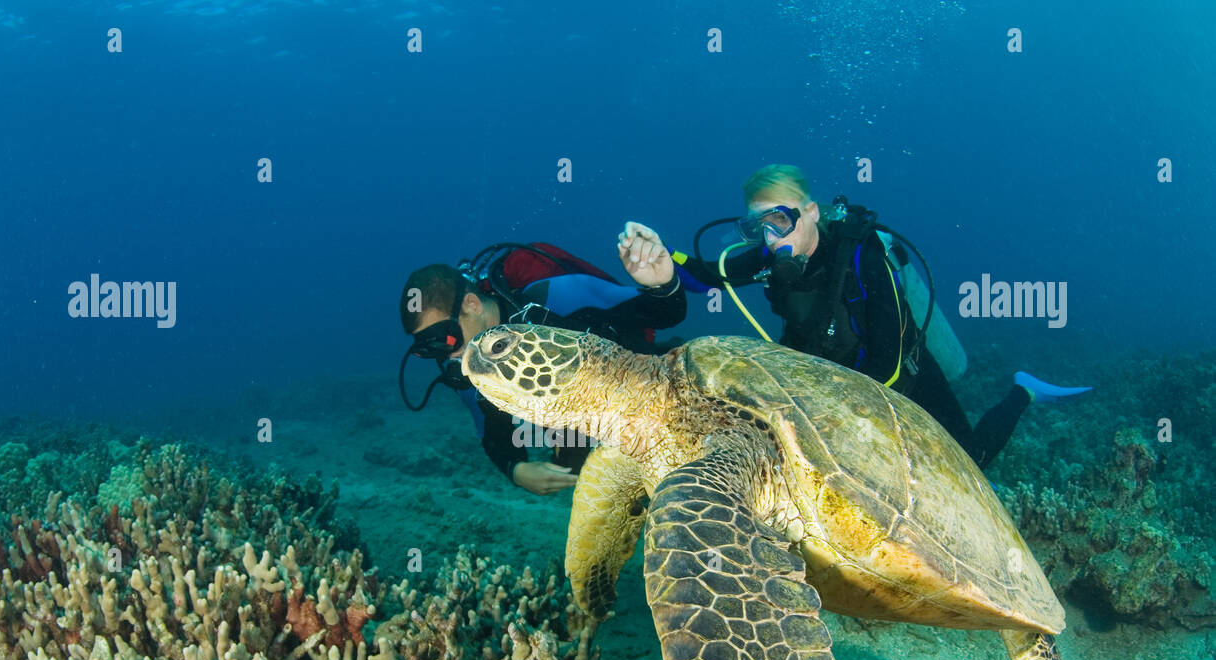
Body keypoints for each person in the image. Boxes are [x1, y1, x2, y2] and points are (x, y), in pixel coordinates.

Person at [619, 164, 1090, 469]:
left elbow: (887, 363)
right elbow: (704, 276)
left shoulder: (861, 257)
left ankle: (1024, 390)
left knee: (973, 459)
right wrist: (663, 261)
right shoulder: (769, 255)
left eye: (779, 220)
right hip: (822, 385)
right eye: (756, 226)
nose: (769, 236)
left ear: (811, 212)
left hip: (901, 380)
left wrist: (833, 419)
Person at [398, 237, 686, 494]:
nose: (449, 357)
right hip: (586, 430)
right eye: (429, 350)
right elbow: (491, 432)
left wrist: (662, 284)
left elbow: (665, 313)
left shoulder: (551, 298)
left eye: (445, 338)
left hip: (657, 388)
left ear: (472, 304)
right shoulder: (470, 362)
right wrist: (516, 470)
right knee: (580, 469)